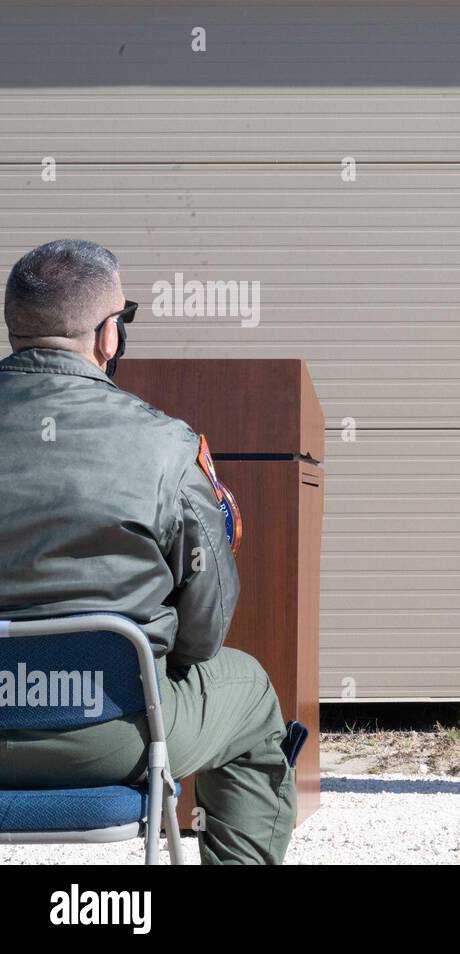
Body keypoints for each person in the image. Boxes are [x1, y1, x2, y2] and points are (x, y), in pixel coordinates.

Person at [0, 239, 295, 864]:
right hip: (110, 734)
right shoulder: (164, 447)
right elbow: (204, 635)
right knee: (251, 693)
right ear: (110, 336)